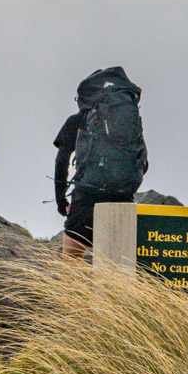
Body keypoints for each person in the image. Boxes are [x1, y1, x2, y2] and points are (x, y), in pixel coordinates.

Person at [53, 66, 148, 258]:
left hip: (87, 197)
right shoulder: (130, 122)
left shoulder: (77, 120)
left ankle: (71, 289)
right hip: (122, 196)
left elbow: (61, 161)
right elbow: (143, 162)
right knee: (118, 266)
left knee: (70, 264)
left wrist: (62, 202)